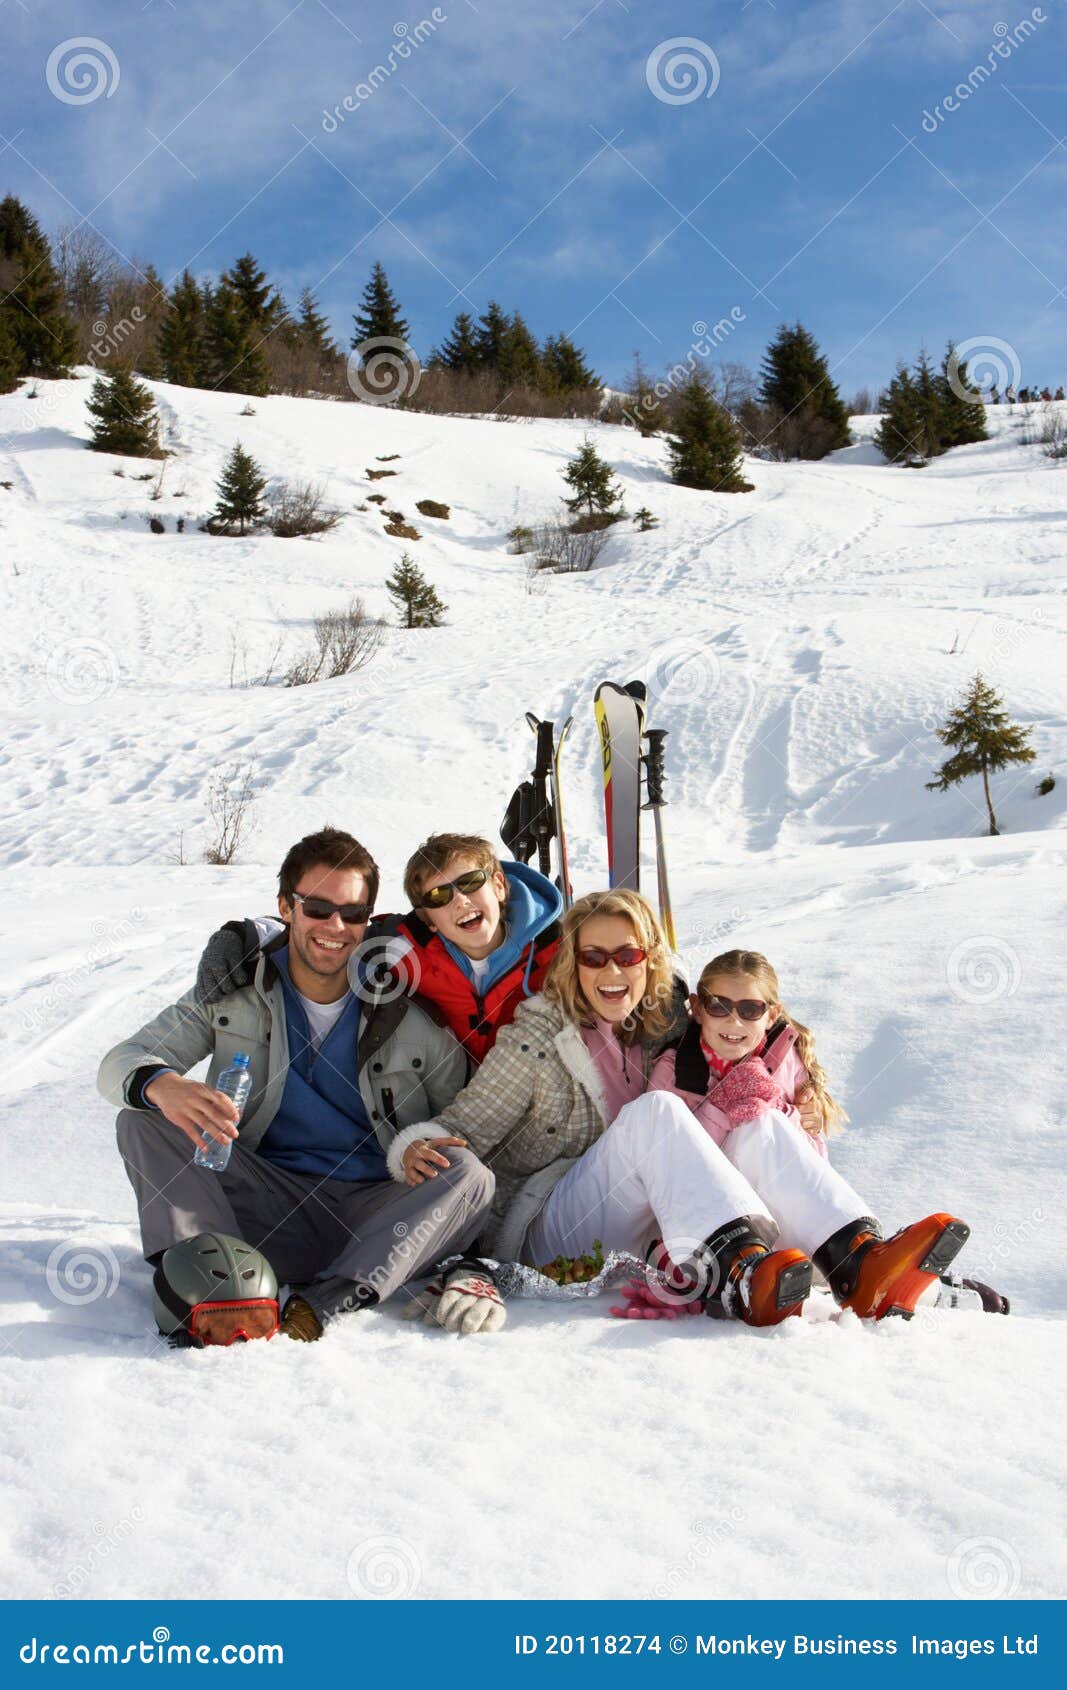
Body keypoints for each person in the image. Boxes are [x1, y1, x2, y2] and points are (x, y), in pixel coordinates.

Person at [393, 896, 970, 1331]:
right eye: (594, 957)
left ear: (650, 960)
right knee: (659, 1111)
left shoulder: (675, 1023)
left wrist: (804, 1096)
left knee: (755, 1119)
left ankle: (860, 1264)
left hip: (662, 1231)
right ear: (574, 965)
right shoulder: (537, 1039)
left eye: (627, 954)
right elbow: (464, 1131)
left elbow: (756, 1023)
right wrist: (416, 1148)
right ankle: (744, 1270)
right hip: (557, 1231)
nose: (611, 971)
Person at [98, 827, 496, 1345]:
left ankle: (332, 1298)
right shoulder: (232, 990)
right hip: (260, 1209)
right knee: (143, 1118)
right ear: (286, 907)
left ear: (367, 921)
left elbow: (461, 1127)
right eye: (317, 908)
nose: (335, 926)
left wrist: (420, 1142)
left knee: (468, 1173)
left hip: (374, 1218)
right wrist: (164, 1084)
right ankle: (214, 1280)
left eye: (352, 913)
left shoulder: (406, 1008)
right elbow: (121, 1061)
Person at [194, 832, 562, 1066]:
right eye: (439, 895)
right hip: (462, 1102)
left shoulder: (561, 948)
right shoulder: (405, 947)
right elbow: (330, 931)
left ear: (498, 885)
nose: (460, 900)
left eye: (469, 882)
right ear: (428, 917)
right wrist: (243, 935)